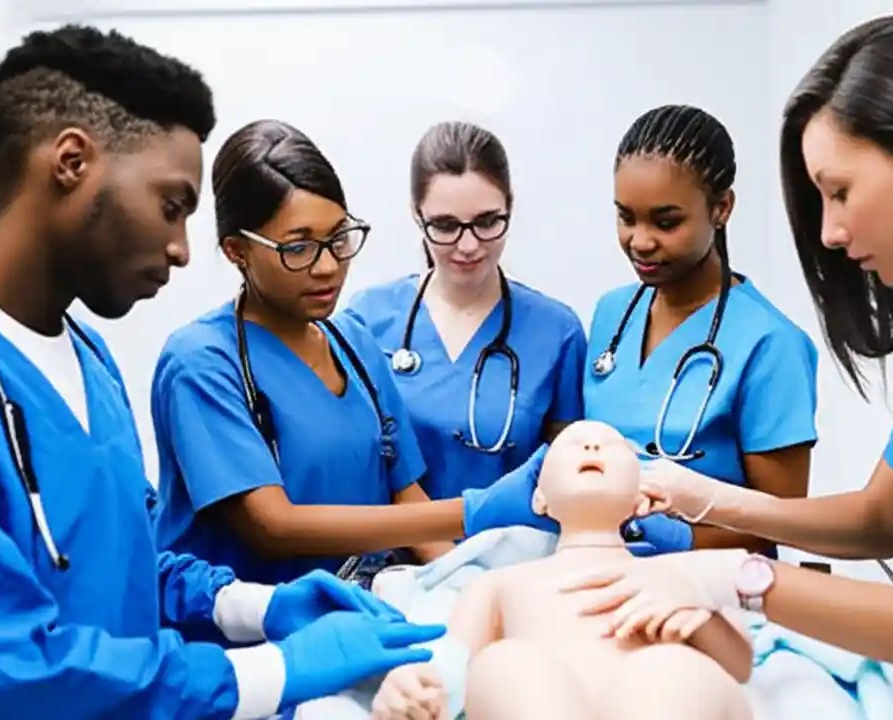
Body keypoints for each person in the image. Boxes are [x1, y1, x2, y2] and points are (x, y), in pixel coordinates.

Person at [0, 26, 446, 719]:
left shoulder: (89, 359)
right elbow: (8, 671)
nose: (184, 249)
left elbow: (125, 567)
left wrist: (255, 606)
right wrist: (276, 671)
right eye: (170, 205)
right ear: (72, 162)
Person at [558, 15, 893, 720]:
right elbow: (881, 519)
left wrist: (736, 574)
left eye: (840, 191)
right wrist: (701, 495)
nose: (829, 232)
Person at [151, 119, 560, 588]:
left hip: (363, 612)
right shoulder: (202, 362)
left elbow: (404, 494)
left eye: (339, 239)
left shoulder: (354, 342)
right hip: (247, 635)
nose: (328, 267)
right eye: (299, 248)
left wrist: (470, 585)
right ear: (236, 250)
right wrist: (475, 509)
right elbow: (272, 527)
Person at [370, 420, 752, 720]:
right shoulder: (500, 583)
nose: (591, 445)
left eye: (614, 445)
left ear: (644, 495)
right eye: (570, 445)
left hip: (658, 705)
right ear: (539, 499)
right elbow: (450, 665)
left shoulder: (679, 574)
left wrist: (700, 620)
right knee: (503, 665)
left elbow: (740, 667)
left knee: (667, 667)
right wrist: (411, 689)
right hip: (542, 707)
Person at [587, 105, 819, 555]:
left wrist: (682, 537)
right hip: (600, 571)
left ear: (721, 208)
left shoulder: (771, 345)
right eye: (626, 217)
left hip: (712, 591)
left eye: (666, 221)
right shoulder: (610, 314)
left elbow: (785, 522)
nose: (641, 240)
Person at [342, 121, 587, 501]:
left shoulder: (558, 332)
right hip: (394, 555)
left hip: (515, 553)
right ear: (416, 216)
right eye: (445, 226)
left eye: (488, 221)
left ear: (511, 207)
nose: (469, 245)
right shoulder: (367, 321)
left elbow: (569, 480)